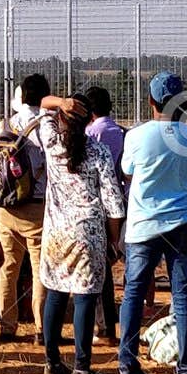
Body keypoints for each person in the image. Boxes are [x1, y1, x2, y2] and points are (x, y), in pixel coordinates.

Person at [118, 71, 187, 374]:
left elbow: (127, 172)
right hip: (182, 223)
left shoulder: (136, 137)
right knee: (182, 296)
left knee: (133, 293)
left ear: (151, 101)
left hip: (143, 224)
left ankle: (128, 368)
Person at [35, 93, 126, 374]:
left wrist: (59, 101)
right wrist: (114, 241)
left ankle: (51, 362)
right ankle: (82, 369)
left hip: (55, 233)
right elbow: (113, 203)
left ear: (60, 119)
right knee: (86, 297)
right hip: (88, 234)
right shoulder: (98, 152)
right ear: (89, 121)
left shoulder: (51, 144)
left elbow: (41, 106)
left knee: (56, 292)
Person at [0, 73, 49, 342]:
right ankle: (41, 328)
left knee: (8, 266)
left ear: (21, 96)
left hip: (7, 206)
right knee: (39, 269)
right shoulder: (48, 125)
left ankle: (7, 325)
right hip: (38, 206)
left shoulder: (5, 124)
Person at [82, 85, 125, 344]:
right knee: (109, 262)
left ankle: (102, 325)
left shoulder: (90, 134)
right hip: (117, 202)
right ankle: (107, 323)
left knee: (95, 269)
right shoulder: (121, 132)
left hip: (94, 204)